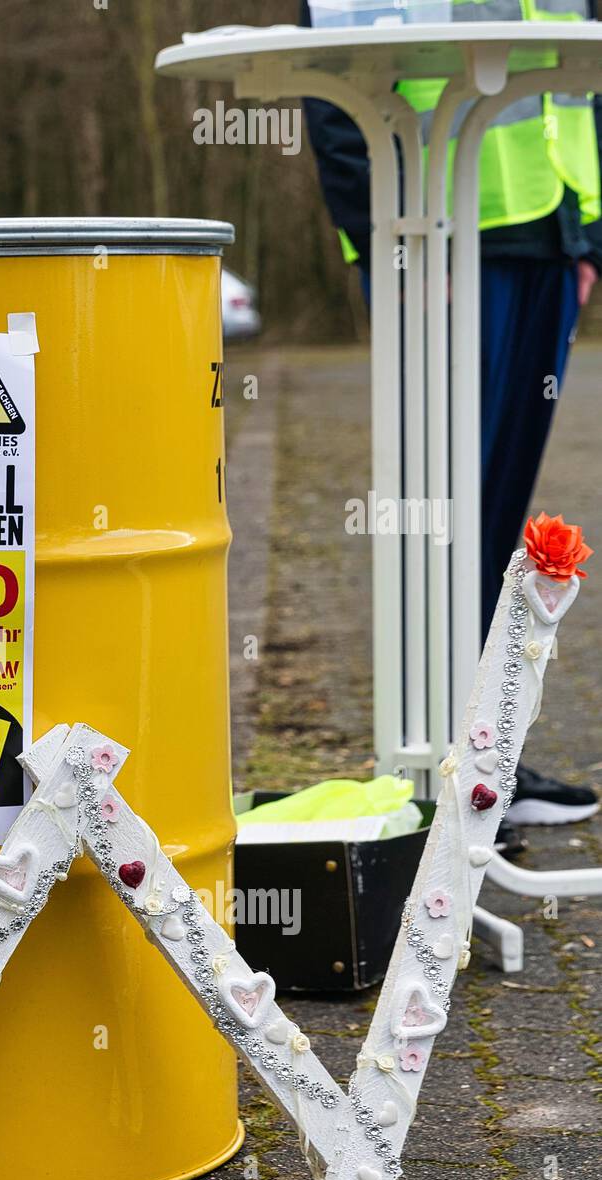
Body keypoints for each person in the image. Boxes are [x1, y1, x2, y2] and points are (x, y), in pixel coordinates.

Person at [300, 0, 602, 826]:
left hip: (549, 241)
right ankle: (436, 766)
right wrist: (393, 241)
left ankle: (485, 759)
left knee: (495, 514)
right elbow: (330, 83)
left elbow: (581, 82)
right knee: (439, 519)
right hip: (436, 236)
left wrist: (587, 238)